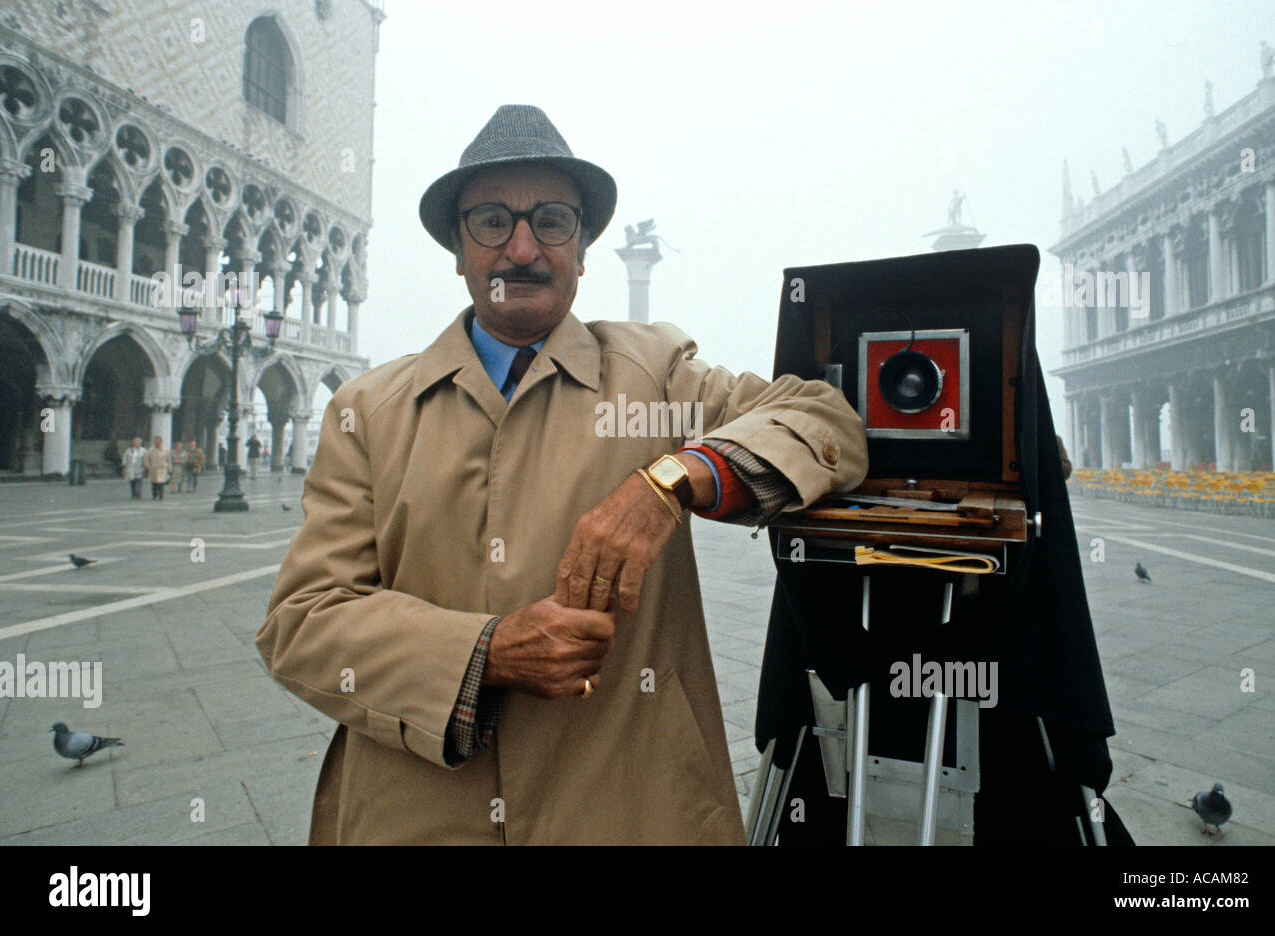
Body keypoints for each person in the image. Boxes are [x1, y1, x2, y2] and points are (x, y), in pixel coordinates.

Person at [256, 105, 868, 845]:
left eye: (551, 220)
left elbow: (819, 417)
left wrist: (671, 482)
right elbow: (303, 621)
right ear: (458, 249)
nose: (522, 248)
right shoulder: (370, 411)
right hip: (414, 813)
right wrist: (487, 652)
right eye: (491, 221)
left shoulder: (656, 373)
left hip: (630, 807)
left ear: (582, 248)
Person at [143, 435, 171, 501]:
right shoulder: (150, 450)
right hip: (153, 469)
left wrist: (170, 470)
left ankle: (161, 495)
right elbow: (146, 459)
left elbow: (168, 460)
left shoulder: (165, 450)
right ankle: (155, 495)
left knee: (161, 483)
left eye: (158, 441)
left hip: (162, 469)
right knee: (154, 483)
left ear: (161, 442)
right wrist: (147, 466)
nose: (157, 443)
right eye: (156, 442)